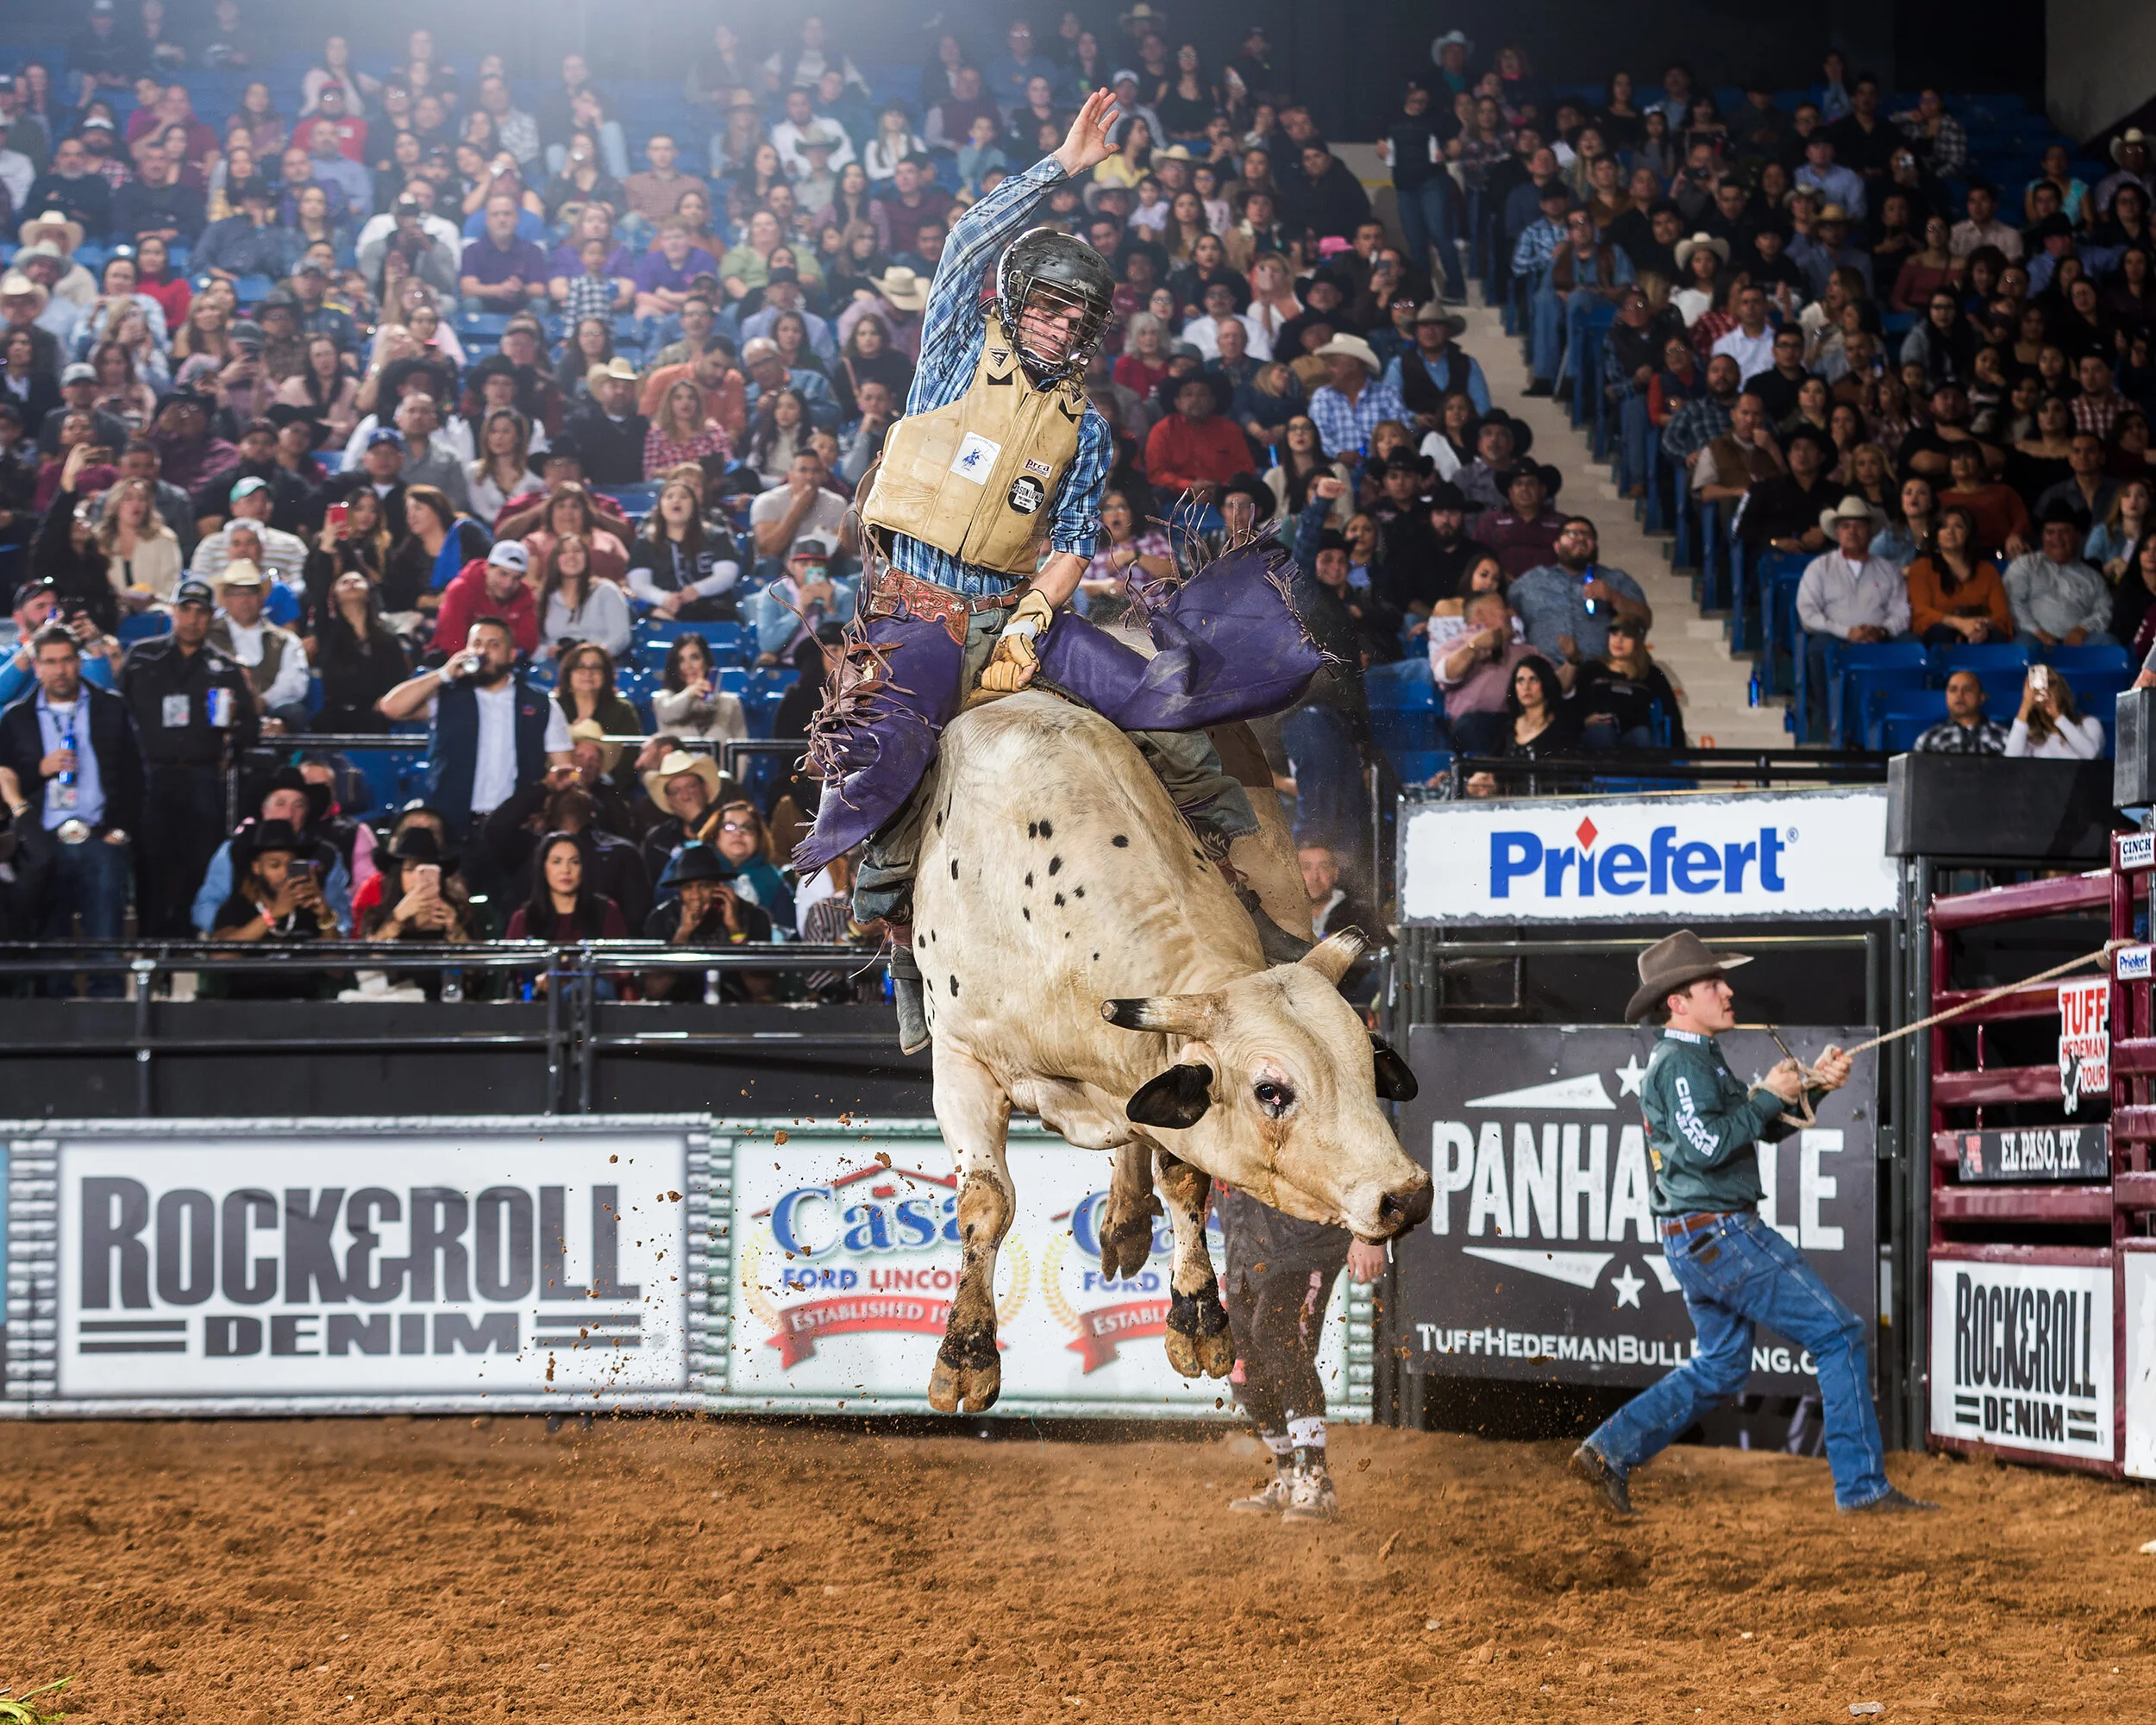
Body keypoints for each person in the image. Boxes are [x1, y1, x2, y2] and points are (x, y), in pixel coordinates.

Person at [794, 91, 1320, 1052]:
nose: (1055, 323)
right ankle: (907, 956)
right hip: (914, 613)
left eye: (1073, 313)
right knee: (887, 770)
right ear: (1013, 301)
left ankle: (1243, 899)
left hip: (1012, 613)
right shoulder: (954, 353)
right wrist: (1063, 168)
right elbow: (962, 240)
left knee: (1168, 713)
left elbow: (1074, 533)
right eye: (1044, 304)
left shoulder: (1086, 424)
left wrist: (1036, 619)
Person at [1570, 931, 1932, 1517]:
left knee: (1722, 1364)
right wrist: (1769, 1095)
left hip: (1699, 1237)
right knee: (1838, 1335)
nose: (1727, 989)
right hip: (1720, 1233)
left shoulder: (1691, 1059)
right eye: (1712, 983)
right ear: (1678, 1002)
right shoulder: (1682, 1066)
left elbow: (1751, 1128)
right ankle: (1862, 1489)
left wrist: (1809, 1087)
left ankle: (1610, 1450)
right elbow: (1713, 1143)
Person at [1219, 1179, 1388, 1524]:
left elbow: (1365, 1152)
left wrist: (1370, 1235)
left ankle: (1316, 1478)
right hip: (1244, 1243)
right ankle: (1289, 1476)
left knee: (1277, 1334)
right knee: (1243, 1366)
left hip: (1305, 1243)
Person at [0, 620, 141, 992]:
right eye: (50, 662)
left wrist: (121, 831)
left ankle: (110, 1025)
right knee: (51, 942)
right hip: (43, 846)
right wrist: (39, 770)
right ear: (36, 666)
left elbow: (134, 777)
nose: (60, 670)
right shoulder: (16, 718)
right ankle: (54, 1024)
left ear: (79, 662)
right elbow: (6, 783)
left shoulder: (110, 707)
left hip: (100, 839)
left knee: (106, 937)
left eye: (66, 660)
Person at [121, 577, 256, 936]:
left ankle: (184, 944)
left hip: (203, 776)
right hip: (151, 777)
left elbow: (250, 732)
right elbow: (118, 715)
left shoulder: (226, 668)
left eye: (201, 612)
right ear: (173, 612)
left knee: (199, 865)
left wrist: (237, 721)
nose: (192, 619)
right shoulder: (141, 655)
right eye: (186, 610)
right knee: (149, 863)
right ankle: (148, 946)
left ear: (211, 617)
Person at [375, 614, 573, 856]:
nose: (483, 651)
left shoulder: (540, 703)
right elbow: (391, 707)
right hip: (453, 826)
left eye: (494, 644)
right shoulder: (446, 695)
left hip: (515, 826)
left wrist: (546, 812)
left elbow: (564, 769)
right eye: (477, 644)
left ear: (511, 654)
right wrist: (444, 674)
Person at [1795, 497, 1912, 737]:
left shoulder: (1888, 569)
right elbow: (1808, 614)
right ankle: (1831, 721)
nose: (1852, 532)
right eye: (1846, 526)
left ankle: (1900, 717)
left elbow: (1902, 612)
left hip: (1879, 638)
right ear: (1837, 532)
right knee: (1818, 649)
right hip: (1837, 638)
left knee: (1912, 646)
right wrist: (1847, 632)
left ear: (1869, 532)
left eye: (1859, 526)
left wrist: (1882, 631)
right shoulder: (1819, 567)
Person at [1506, 517, 1648, 678]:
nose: (1580, 538)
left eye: (1587, 535)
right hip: (1543, 678)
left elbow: (1645, 619)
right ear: (1557, 546)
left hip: (1600, 676)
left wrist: (1614, 597)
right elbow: (1503, 612)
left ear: (1595, 546)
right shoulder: (1531, 580)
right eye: (1572, 534)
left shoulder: (1615, 579)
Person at [1433, 589, 1537, 755]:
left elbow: (1555, 684)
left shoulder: (1526, 652)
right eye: (1503, 608)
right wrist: (1474, 647)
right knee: (1472, 726)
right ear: (1481, 615)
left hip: (1521, 722)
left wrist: (1571, 662)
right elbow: (1444, 674)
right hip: (1475, 724)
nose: (1510, 613)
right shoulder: (1455, 647)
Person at [1574, 611, 1685, 750]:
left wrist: (1680, 753)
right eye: (1614, 634)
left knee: (1642, 734)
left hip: (1633, 736)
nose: (1619, 641)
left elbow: (1671, 712)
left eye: (1626, 635)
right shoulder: (1591, 669)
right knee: (1603, 732)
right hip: (1595, 736)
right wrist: (1584, 722)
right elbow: (1572, 706)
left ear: (1637, 641)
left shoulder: (1650, 674)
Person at [2003, 506, 2113, 648]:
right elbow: (2012, 603)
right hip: (2034, 639)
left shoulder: (2093, 577)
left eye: (2064, 531)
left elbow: (2104, 611)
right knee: (2023, 646)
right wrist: (2039, 633)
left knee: (2108, 643)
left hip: (2081, 642)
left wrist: (2082, 630)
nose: (2057, 538)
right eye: (2050, 532)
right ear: (2042, 536)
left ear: (2078, 535)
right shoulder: (2025, 565)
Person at [1905, 506, 2012, 647]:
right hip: (1940, 631)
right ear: (1936, 534)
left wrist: (1980, 625)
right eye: (1944, 527)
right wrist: (1960, 624)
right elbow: (1921, 611)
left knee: (1995, 637)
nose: (1950, 532)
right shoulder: (1921, 567)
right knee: (1941, 633)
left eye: (1958, 526)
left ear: (1968, 533)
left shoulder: (1988, 571)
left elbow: (2001, 614)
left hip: (1981, 631)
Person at [2005, 665, 2105, 760]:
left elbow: (2091, 755)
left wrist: (2058, 717)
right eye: (2038, 685)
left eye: (2051, 683)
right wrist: (2025, 706)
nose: (2045, 690)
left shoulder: (2089, 724)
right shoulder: (2031, 738)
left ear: (2061, 690)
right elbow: (2011, 762)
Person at [1914, 669, 2009, 753]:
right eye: (1953, 690)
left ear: (1981, 698)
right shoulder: (1928, 740)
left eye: (1967, 690)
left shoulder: (2003, 737)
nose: (1959, 695)